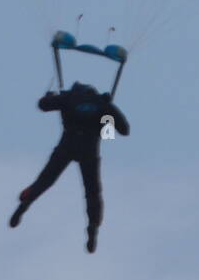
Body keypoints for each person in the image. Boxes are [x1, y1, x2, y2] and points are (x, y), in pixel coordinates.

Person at [9, 81, 130, 252]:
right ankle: (93, 227)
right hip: (89, 151)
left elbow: (42, 105)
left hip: (66, 147)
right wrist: (109, 112)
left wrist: (50, 97)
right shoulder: (102, 105)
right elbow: (125, 130)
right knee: (92, 192)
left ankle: (24, 204)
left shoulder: (68, 98)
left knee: (45, 180)